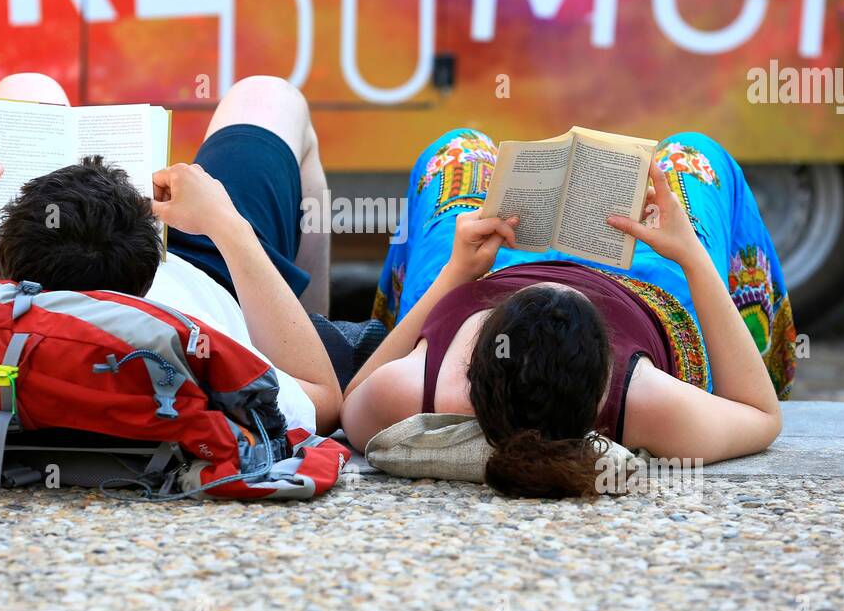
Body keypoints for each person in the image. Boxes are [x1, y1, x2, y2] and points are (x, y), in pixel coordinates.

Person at [0, 74, 341, 438]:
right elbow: (323, 399)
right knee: (268, 95)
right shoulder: (206, 342)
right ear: (152, 259)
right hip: (212, 279)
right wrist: (227, 225)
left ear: (2, 264)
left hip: (44, 296)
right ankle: (314, 321)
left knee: (25, 90)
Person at [341, 128, 797, 498]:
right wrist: (691, 255)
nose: (560, 278)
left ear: (474, 360)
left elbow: (352, 400)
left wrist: (458, 272)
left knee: (457, 148)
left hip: (479, 265)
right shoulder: (651, 404)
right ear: (607, 378)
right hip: (648, 281)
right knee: (693, 154)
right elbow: (761, 414)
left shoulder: (409, 390)